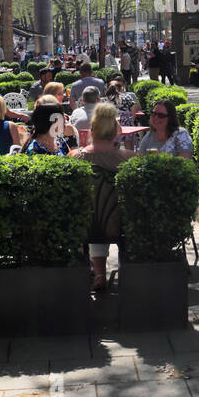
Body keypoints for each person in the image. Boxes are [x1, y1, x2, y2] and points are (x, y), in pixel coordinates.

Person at [71, 103, 135, 292]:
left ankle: (99, 274)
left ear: (92, 129)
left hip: (85, 228)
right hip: (119, 226)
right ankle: (105, 275)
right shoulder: (129, 159)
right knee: (107, 214)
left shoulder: (76, 158)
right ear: (116, 130)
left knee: (94, 213)